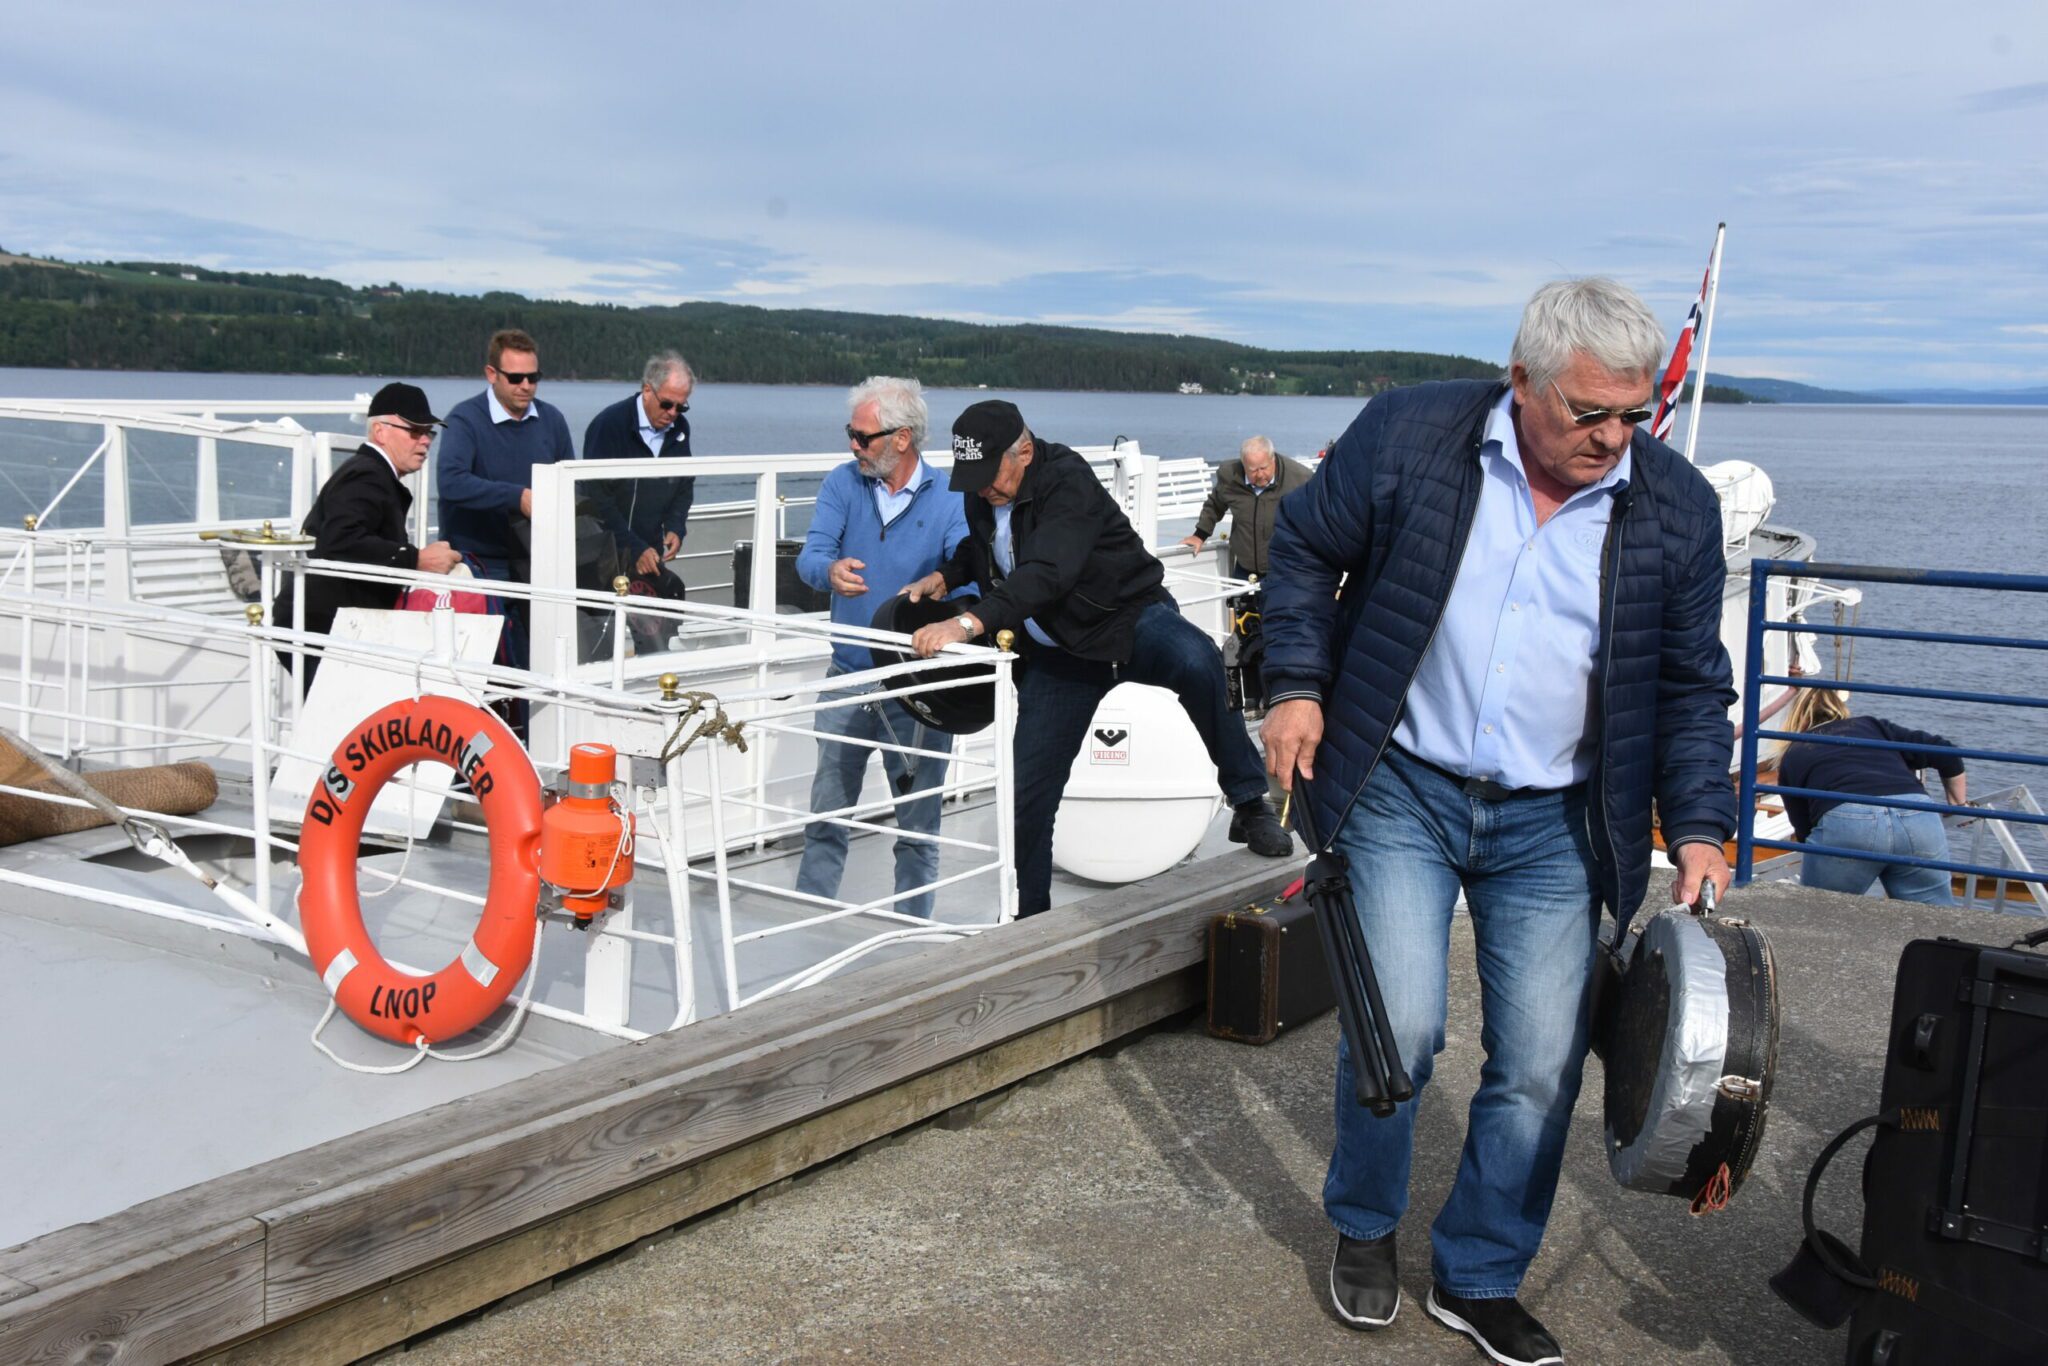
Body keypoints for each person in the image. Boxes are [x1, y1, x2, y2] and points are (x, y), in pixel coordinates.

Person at [1260, 278, 1737, 1366]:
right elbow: (1300, 549)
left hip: (1557, 820)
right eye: (1590, 414)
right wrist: (1295, 681)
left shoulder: (1671, 504)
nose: (1614, 439)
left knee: (1537, 1062)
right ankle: (1365, 1224)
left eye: (1634, 413)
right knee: (1404, 1027)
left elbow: (1688, 683)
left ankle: (1476, 1274)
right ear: (1520, 381)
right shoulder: (1407, 435)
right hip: (1400, 786)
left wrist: (1701, 821)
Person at [904, 399, 1292, 918]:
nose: (982, 489)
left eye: (989, 475)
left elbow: (1046, 572)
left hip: (1123, 618)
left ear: (1024, 450)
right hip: (1058, 651)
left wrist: (967, 622)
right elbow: (987, 550)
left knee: (1198, 661)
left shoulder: (1067, 480)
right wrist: (948, 578)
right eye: (972, 478)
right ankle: (1033, 919)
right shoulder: (983, 492)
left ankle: (1249, 804)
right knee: (1029, 797)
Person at [792, 378, 969, 919]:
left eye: (863, 437)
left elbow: (971, 578)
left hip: (917, 687)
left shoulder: (952, 497)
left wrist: (942, 583)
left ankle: (912, 933)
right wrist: (828, 570)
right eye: (851, 435)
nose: (853, 446)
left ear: (903, 438)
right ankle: (805, 925)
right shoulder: (844, 484)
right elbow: (809, 557)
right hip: (847, 677)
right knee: (826, 818)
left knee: (918, 828)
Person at [273, 382, 461, 688]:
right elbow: (340, 540)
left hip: (324, 625)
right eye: (415, 431)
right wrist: (417, 559)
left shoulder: (371, 472)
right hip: (318, 628)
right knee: (340, 721)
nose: (425, 441)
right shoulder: (368, 474)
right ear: (380, 431)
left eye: (429, 432)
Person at [435, 328, 575, 671]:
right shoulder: (464, 419)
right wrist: (516, 497)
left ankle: (528, 725)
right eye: (516, 378)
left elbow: (570, 485)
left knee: (538, 663)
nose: (526, 385)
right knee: (483, 665)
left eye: (533, 377)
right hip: (481, 563)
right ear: (491, 374)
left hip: (537, 561)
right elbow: (451, 482)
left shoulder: (552, 420)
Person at [1779, 686, 1965, 904]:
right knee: (1934, 920)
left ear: (1795, 718)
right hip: (1917, 813)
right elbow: (1946, 752)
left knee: (1822, 913)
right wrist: (1958, 804)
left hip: (1849, 819)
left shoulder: (1793, 753)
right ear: (1840, 708)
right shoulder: (1872, 726)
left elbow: (1804, 831)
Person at [583, 351, 697, 591]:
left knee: (662, 614)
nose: (673, 413)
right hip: (604, 549)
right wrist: (634, 547)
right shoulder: (609, 425)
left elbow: (684, 483)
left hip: (649, 550)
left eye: (681, 407)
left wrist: (676, 526)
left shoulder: (679, 428)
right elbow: (596, 497)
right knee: (603, 624)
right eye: (666, 404)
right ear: (647, 391)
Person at [1179, 435, 1314, 577]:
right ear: (1243, 465)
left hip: (1284, 568)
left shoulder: (1300, 478)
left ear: (1272, 459)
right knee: (1238, 598)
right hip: (1244, 566)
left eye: (1264, 468)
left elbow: (1316, 518)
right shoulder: (1229, 475)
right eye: (1253, 470)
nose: (1260, 475)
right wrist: (1199, 536)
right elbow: (1214, 505)